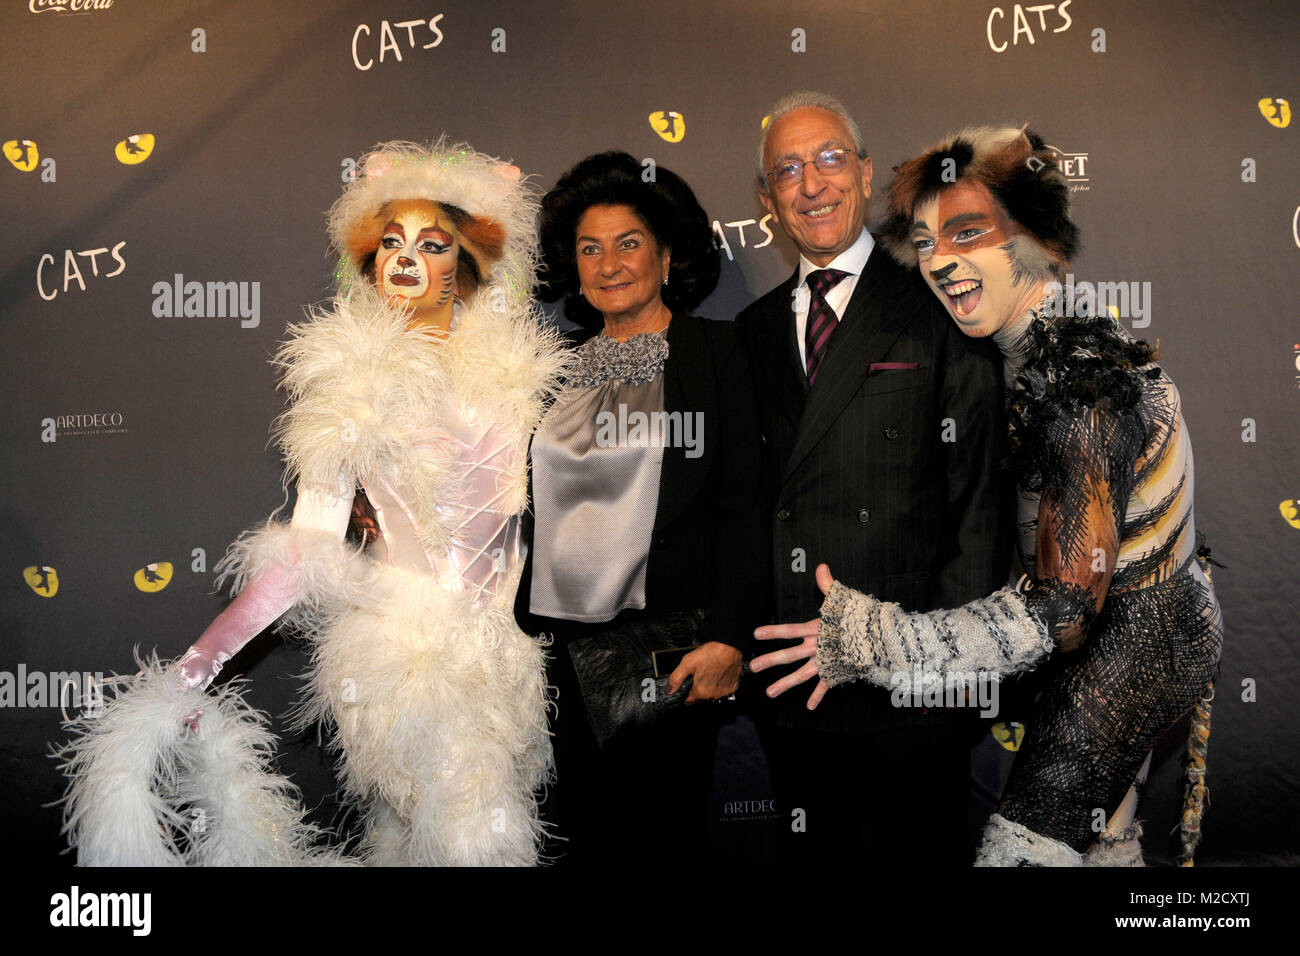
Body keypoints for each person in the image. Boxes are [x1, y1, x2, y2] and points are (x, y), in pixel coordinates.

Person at [58, 140, 570, 866]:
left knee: (411, 845)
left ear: (466, 264)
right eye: (390, 241)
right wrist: (193, 672)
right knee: (478, 844)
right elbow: (309, 551)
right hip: (406, 661)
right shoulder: (346, 386)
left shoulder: (517, 374)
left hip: (507, 665)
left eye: (432, 243)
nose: (405, 258)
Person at [750, 126, 1223, 866]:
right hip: (1088, 644)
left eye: (968, 232)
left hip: (1134, 645)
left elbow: (1063, 613)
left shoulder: (1080, 385)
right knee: (1106, 845)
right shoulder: (1002, 362)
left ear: (1035, 238)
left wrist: (870, 640)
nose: (941, 261)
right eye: (926, 241)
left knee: (1023, 853)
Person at [735, 91, 1010, 864]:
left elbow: (979, 502)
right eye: (787, 170)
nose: (811, 184)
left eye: (828, 160)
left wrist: (949, 673)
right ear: (767, 200)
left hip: (911, 692)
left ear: (862, 174)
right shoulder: (750, 334)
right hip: (794, 688)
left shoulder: (938, 302)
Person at [514, 151, 766, 863]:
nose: (608, 264)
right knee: (584, 847)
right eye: (589, 248)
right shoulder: (551, 369)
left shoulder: (719, 354)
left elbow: (751, 507)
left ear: (665, 256)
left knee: (663, 848)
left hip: (667, 657)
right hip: (558, 664)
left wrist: (730, 637)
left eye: (628, 243)